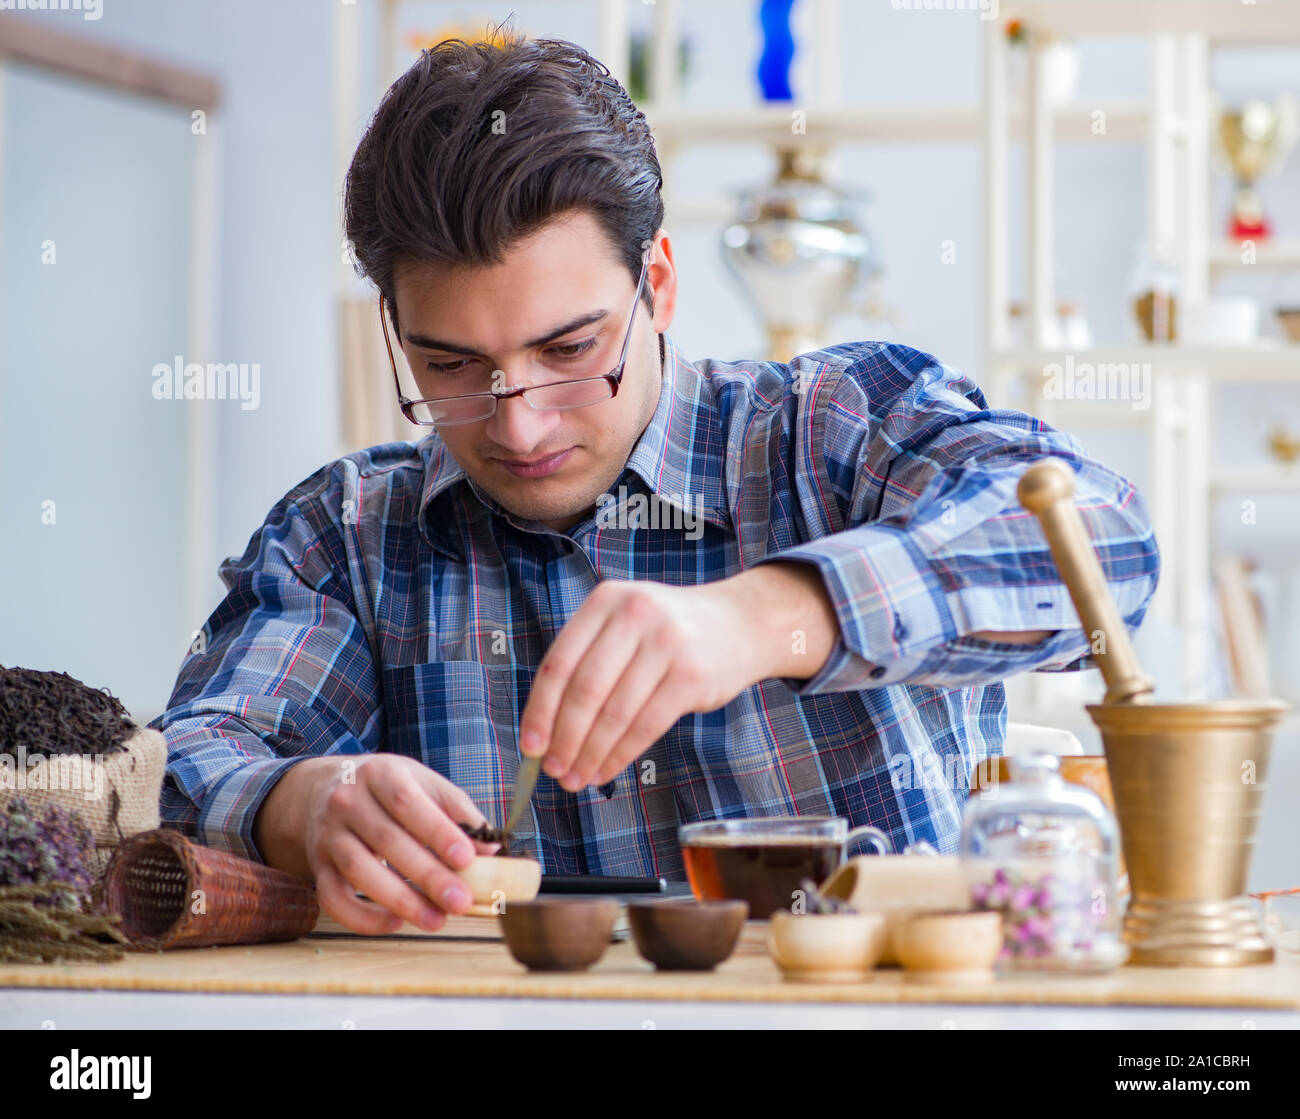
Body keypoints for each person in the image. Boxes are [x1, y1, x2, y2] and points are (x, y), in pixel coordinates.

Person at [151, 31, 1160, 936]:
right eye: (450, 366)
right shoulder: (351, 535)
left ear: (659, 284)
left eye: (571, 347)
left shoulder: (830, 429)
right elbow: (177, 766)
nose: (519, 422)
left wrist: (771, 618)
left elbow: (1106, 546)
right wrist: (300, 804)